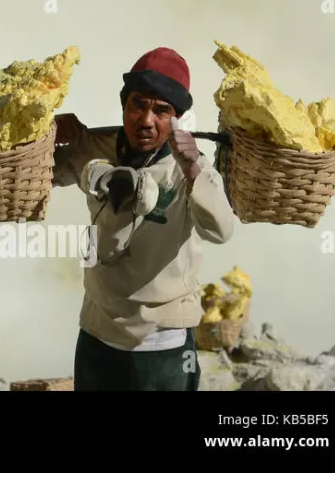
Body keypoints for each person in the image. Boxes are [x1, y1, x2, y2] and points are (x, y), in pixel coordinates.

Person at [52, 46, 237, 391]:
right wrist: (47, 135)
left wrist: (193, 167)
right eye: (138, 104)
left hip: (161, 341)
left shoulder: (192, 168)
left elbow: (221, 230)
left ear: (177, 118)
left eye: (161, 110)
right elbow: (42, 176)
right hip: (98, 329)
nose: (147, 120)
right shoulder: (95, 149)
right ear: (124, 105)